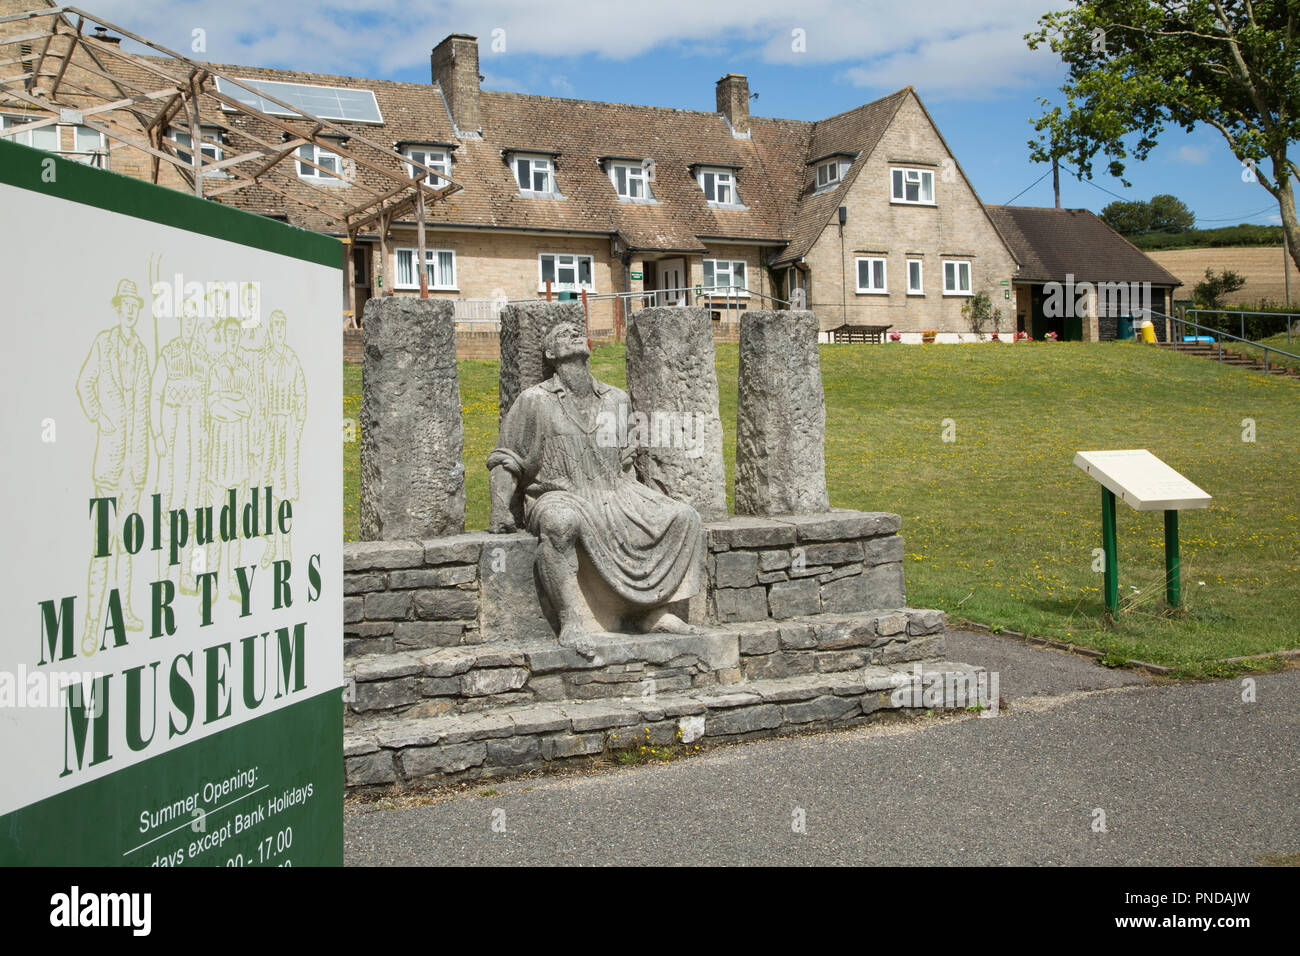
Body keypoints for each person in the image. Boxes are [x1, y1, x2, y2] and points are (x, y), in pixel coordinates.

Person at [487, 322, 702, 649]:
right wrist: (500, 509)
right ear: (550, 353)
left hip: (615, 490)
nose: (574, 333)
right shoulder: (533, 401)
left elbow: (626, 462)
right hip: (557, 494)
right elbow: (507, 460)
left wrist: (636, 504)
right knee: (561, 524)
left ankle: (651, 611)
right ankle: (572, 619)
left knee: (684, 516)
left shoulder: (616, 400)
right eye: (563, 334)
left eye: (577, 332)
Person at [76, 278, 152, 648]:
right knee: (101, 545)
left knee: (127, 543)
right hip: (109, 459)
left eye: (135, 306)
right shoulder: (104, 344)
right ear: (118, 308)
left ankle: (123, 611)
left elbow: (144, 407)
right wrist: (100, 417)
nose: (131, 311)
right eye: (126, 306)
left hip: (133, 464)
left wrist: (143, 461)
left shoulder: (140, 350)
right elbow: (84, 383)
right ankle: (93, 623)